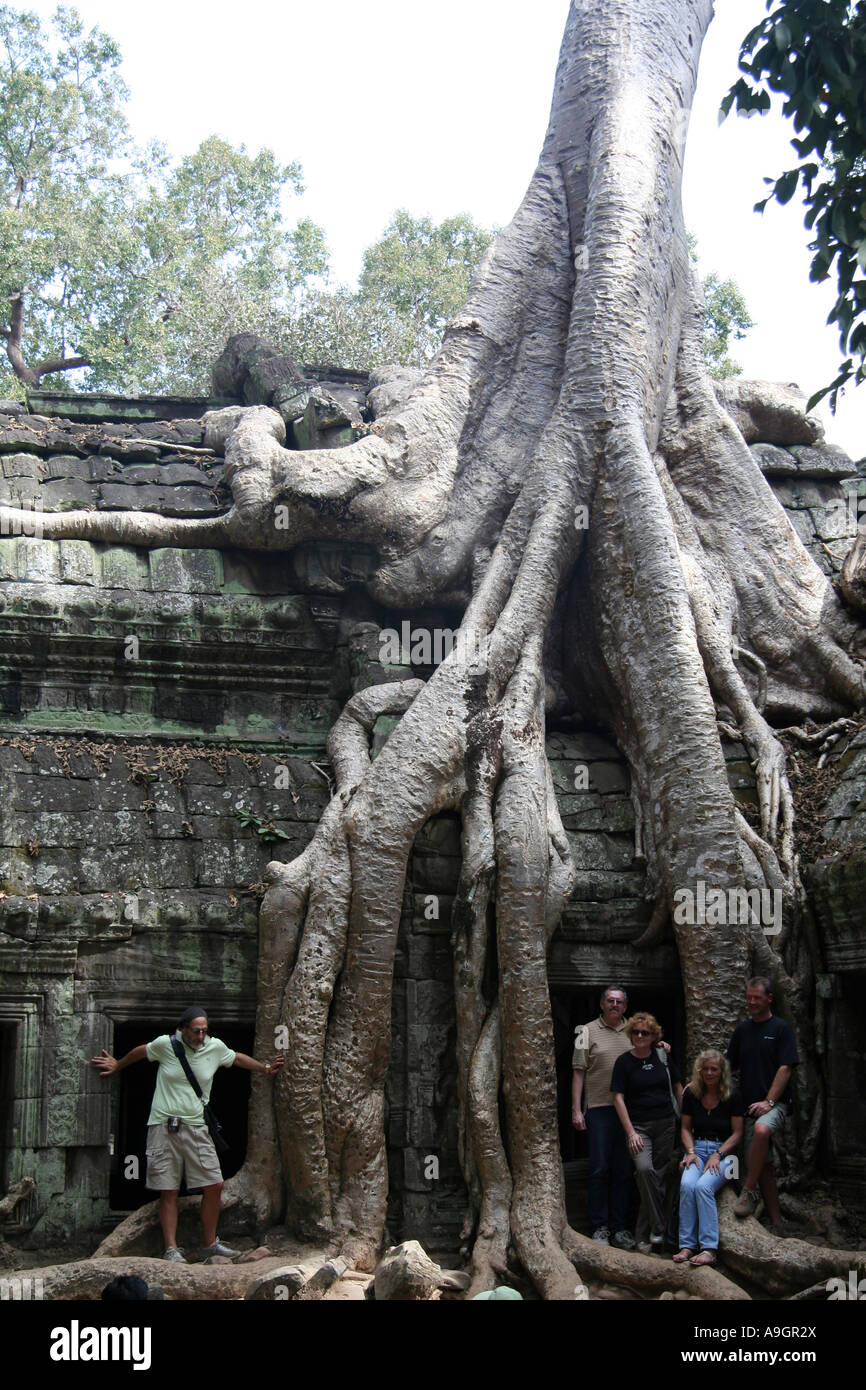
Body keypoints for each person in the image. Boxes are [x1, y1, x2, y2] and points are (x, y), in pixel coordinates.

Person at [92, 1005, 284, 1262]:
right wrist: (118, 1064)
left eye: (205, 1031)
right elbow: (142, 1052)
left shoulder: (214, 1048)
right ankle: (171, 1249)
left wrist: (265, 1068)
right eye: (196, 1031)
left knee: (214, 1184)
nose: (201, 1036)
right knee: (168, 1189)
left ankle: (209, 1243)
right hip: (163, 1126)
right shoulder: (166, 1045)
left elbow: (236, 1058)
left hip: (197, 1128)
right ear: (182, 1029)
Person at [726, 977, 798, 1227]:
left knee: (762, 1129)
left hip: (773, 1104)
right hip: (748, 1106)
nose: (752, 1002)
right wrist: (698, 1081)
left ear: (769, 998)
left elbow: (786, 1068)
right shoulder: (743, 1030)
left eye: (757, 998)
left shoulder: (781, 1029)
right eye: (749, 998)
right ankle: (777, 1222)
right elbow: (727, 1065)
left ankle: (748, 1190)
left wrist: (769, 1101)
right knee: (763, 1163)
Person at [611, 1012, 683, 1253]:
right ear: (630, 1034)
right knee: (644, 1171)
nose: (640, 1036)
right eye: (636, 1032)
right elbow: (618, 1097)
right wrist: (630, 1132)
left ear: (654, 1036)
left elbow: (677, 1086)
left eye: (646, 1033)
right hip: (639, 1127)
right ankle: (660, 1227)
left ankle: (643, 1236)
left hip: (665, 1124)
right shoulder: (623, 1062)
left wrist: (686, 1121)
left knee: (658, 1179)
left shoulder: (662, 1055)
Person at [571, 985, 635, 1249]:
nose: (615, 1005)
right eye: (610, 1001)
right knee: (599, 1169)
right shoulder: (584, 1031)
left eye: (619, 1002)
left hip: (630, 1113)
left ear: (625, 1006)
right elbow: (578, 1072)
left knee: (624, 1169)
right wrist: (576, 1109)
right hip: (598, 1109)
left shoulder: (636, 1030)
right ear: (601, 1004)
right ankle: (600, 1227)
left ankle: (621, 1228)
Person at [673, 1050, 744, 1267]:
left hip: (727, 1155)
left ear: (721, 1071)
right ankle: (686, 1245)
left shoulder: (733, 1095)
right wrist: (691, 1152)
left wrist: (718, 1154)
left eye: (714, 1069)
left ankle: (708, 1248)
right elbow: (685, 1128)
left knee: (703, 1187)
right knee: (687, 1184)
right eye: (706, 1069)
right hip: (697, 1148)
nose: (709, 1073)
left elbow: (738, 1133)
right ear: (700, 1071)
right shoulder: (692, 1094)